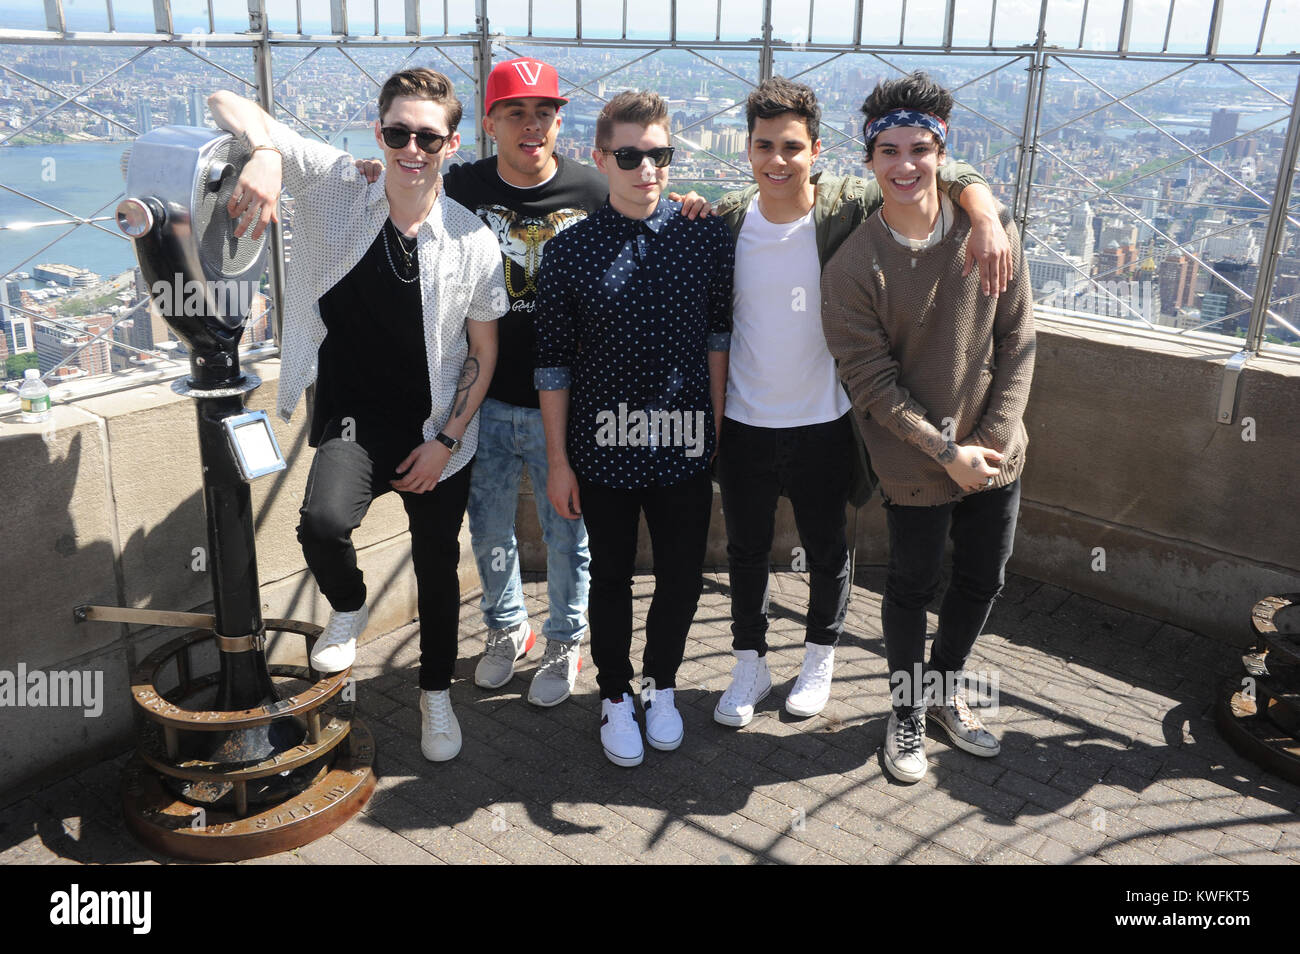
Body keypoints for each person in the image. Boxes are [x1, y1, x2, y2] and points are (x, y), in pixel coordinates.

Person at [207, 67, 506, 763]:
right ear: (378, 131)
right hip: (354, 417)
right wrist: (270, 154)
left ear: (451, 144)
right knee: (322, 523)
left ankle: (435, 697)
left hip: (438, 430)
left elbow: (483, 353)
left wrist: (448, 439)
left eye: (426, 137)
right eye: (397, 131)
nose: (410, 148)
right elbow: (225, 101)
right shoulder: (339, 184)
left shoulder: (472, 241)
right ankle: (349, 604)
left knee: (438, 571)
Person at [706, 76, 1011, 727]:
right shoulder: (730, 219)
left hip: (823, 421)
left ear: (816, 150)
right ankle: (749, 660)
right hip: (744, 420)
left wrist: (984, 215)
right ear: (748, 150)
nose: (777, 160)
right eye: (764, 145)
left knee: (827, 549)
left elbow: (937, 169)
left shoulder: (845, 208)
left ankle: (821, 652)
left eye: (792, 146)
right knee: (746, 550)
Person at [821, 72, 1035, 783]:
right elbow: (871, 383)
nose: (905, 164)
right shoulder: (854, 266)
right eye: (888, 149)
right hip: (914, 461)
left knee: (982, 579)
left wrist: (992, 446)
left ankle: (943, 691)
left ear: (944, 152)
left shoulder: (990, 236)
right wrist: (945, 451)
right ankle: (906, 708)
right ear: (868, 159)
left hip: (996, 454)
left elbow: (1019, 342)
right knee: (912, 586)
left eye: (921, 147)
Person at [534, 90, 733, 767]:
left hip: (682, 444)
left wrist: (715, 431)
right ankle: (615, 694)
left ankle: (662, 684)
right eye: (629, 155)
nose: (646, 169)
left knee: (682, 576)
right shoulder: (567, 253)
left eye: (659, 155)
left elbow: (717, 337)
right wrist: (559, 460)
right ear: (600, 157)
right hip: (602, 445)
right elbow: (553, 366)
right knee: (611, 577)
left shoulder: (705, 234)